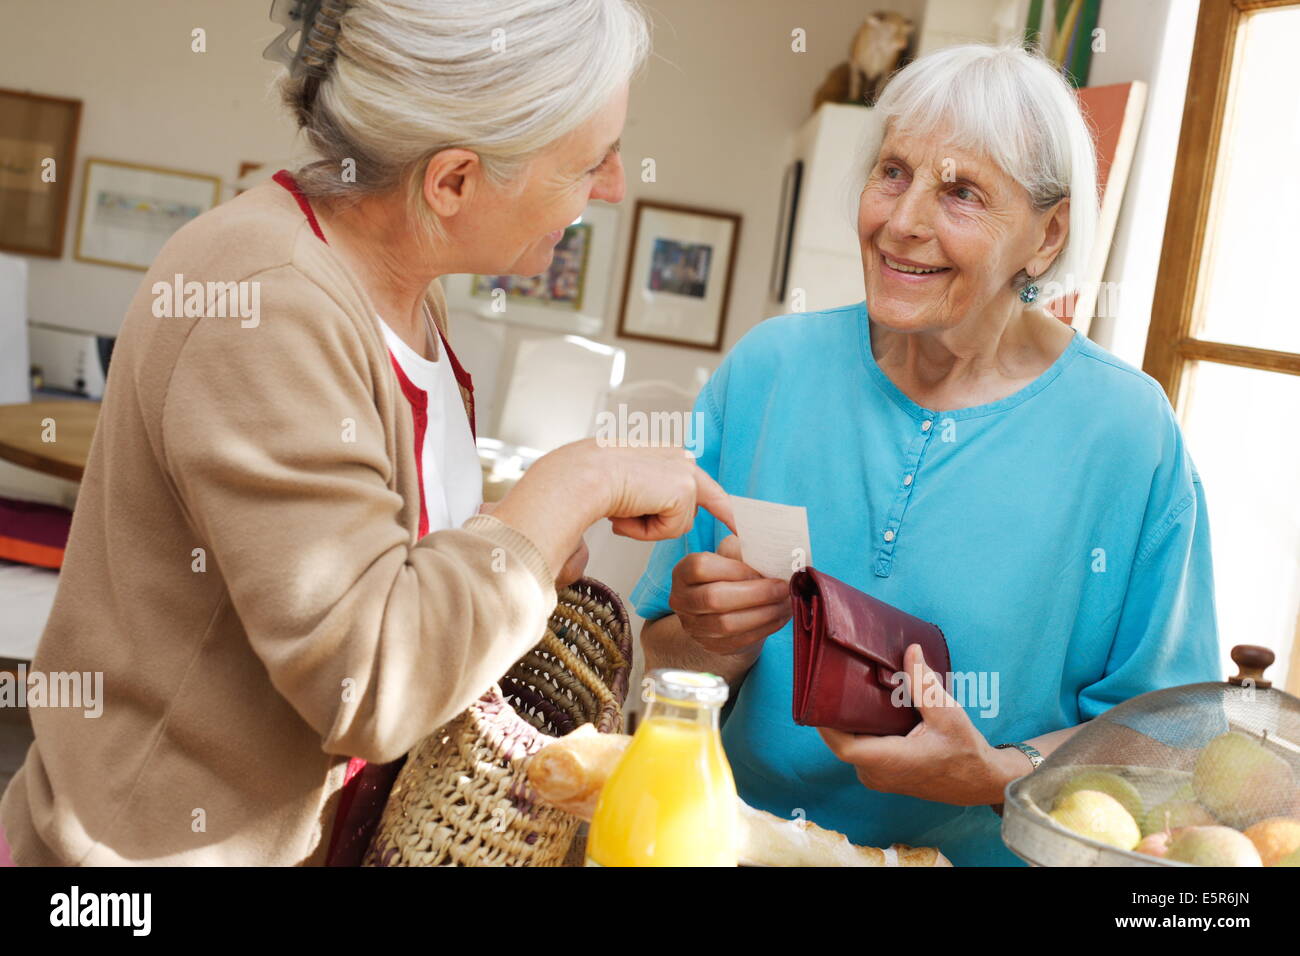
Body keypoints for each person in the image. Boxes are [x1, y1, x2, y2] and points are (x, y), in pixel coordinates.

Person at [0, 0, 736, 866]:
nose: (613, 185)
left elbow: (367, 558)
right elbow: (370, 680)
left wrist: (517, 547)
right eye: (590, 161)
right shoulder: (266, 299)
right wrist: (571, 488)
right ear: (453, 181)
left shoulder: (405, 290)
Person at [634, 42, 1220, 867]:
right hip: (732, 843)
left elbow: (1169, 741)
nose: (903, 222)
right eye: (893, 172)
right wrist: (714, 640)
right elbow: (657, 662)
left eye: (961, 192)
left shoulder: (1128, 433)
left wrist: (997, 775)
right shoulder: (769, 368)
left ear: (1047, 235)